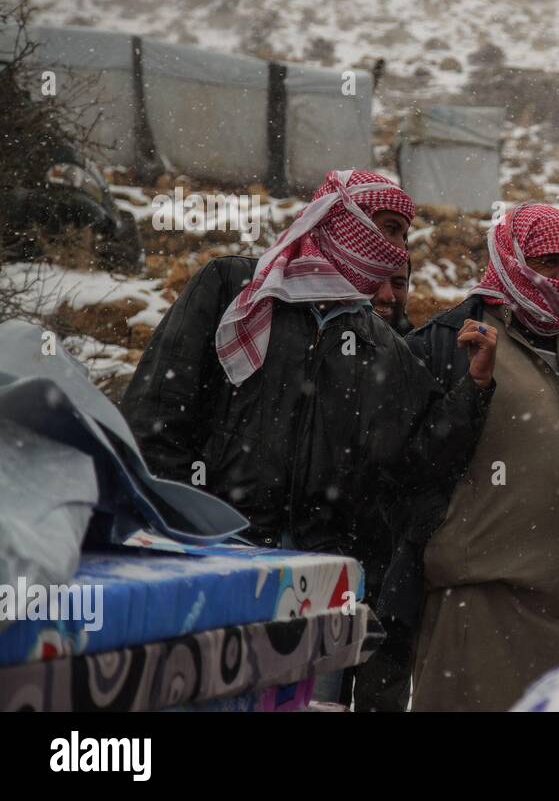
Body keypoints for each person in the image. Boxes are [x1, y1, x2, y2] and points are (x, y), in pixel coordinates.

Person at [120, 169, 494, 703]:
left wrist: (473, 390)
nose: (395, 249)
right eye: (386, 229)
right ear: (342, 220)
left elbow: (417, 461)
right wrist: (184, 534)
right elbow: (158, 416)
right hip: (218, 564)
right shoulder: (236, 289)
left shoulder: (381, 346)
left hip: (317, 589)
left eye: (402, 237)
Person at [383, 203, 559, 712]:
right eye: (548, 263)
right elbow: (408, 467)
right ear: (510, 259)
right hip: (483, 609)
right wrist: (475, 387)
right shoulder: (447, 342)